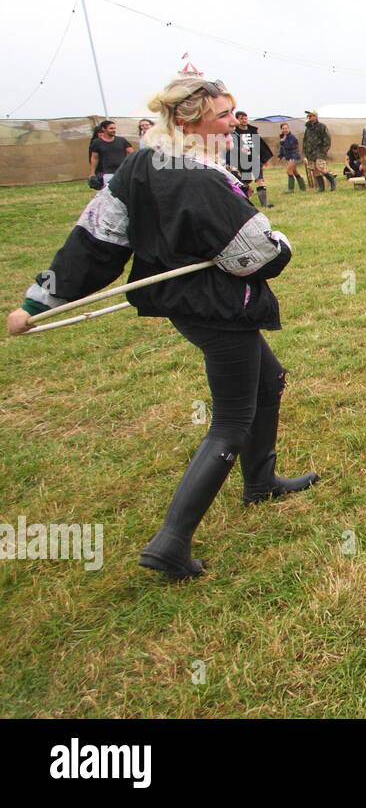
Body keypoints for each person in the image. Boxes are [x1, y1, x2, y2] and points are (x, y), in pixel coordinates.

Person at [7, 74, 318, 579]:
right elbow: (255, 257)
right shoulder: (196, 177)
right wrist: (282, 244)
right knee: (231, 419)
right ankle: (171, 541)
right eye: (222, 115)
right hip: (216, 307)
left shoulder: (140, 164)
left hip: (189, 305)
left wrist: (40, 300)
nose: (231, 123)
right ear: (191, 118)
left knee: (269, 379)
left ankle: (261, 482)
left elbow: (96, 240)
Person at [229, 110, 275, 208]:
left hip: (255, 159)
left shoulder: (252, 131)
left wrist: (263, 158)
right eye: (242, 118)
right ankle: (244, 202)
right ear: (237, 119)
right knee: (246, 181)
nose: (244, 120)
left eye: (245, 118)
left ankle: (264, 204)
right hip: (243, 161)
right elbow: (230, 146)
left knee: (260, 180)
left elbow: (260, 145)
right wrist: (239, 149)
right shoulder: (234, 133)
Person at [87, 120, 134, 189]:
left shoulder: (122, 140)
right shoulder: (97, 142)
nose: (114, 130)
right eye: (111, 128)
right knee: (110, 193)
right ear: (103, 129)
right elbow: (94, 158)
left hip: (122, 172)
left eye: (114, 128)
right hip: (107, 173)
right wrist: (92, 173)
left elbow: (132, 154)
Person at [302, 109, 335, 191]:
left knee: (321, 168)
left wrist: (323, 151)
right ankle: (321, 187)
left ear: (315, 116)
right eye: (308, 116)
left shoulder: (322, 126)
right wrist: (305, 151)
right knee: (314, 170)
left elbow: (327, 139)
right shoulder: (308, 128)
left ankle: (332, 181)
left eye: (310, 116)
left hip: (319, 152)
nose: (309, 117)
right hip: (310, 153)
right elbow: (305, 140)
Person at [278, 122, 308, 192]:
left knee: (289, 171)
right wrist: (280, 156)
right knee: (295, 172)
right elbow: (282, 148)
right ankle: (303, 187)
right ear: (281, 129)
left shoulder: (292, 137)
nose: (285, 130)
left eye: (286, 128)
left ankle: (290, 189)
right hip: (288, 157)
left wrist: (282, 142)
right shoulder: (282, 137)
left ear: (288, 128)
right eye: (283, 128)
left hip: (294, 156)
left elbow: (290, 146)